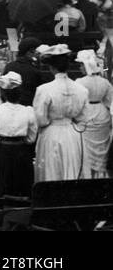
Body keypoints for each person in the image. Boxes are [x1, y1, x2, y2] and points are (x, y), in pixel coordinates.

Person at [0, 72, 38, 230]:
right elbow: (31, 138)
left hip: (3, 151)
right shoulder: (28, 111)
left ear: (3, 93)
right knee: (22, 186)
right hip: (21, 153)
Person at [32, 45, 87, 181]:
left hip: (51, 134)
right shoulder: (81, 89)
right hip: (72, 134)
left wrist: (50, 121)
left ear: (51, 67)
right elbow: (83, 118)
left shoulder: (44, 90)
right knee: (71, 168)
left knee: (52, 170)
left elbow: (40, 119)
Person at [75, 49, 111, 178]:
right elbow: (109, 101)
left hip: (87, 114)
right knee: (102, 150)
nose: (79, 67)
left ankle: (88, 176)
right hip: (102, 114)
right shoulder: (105, 82)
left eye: (80, 65)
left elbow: (76, 103)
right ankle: (101, 176)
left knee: (86, 150)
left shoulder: (79, 82)